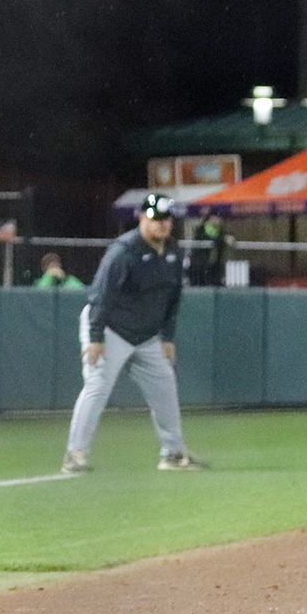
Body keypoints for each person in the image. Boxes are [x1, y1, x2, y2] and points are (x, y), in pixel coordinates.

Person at [61, 193, 202, 475]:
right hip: (110, 330)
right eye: (156, 218)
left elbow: (174, 297)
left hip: (147, 336)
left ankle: (173, 454)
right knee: (97, 387)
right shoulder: (124, 251)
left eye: (166, 218)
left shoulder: (174, 251)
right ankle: (74, 454)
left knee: (165, 388)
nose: (162, 224)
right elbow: (100, 295)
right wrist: (96, 336)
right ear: (142, 218)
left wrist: (168, 337)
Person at [187, 213, 229, 287]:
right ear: (210, 218)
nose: (220, 220)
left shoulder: (220, 232)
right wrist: (223, 239)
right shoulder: (200, 229)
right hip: (199, 265)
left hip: (214, 265)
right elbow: (206, 239)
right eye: (217, 218)